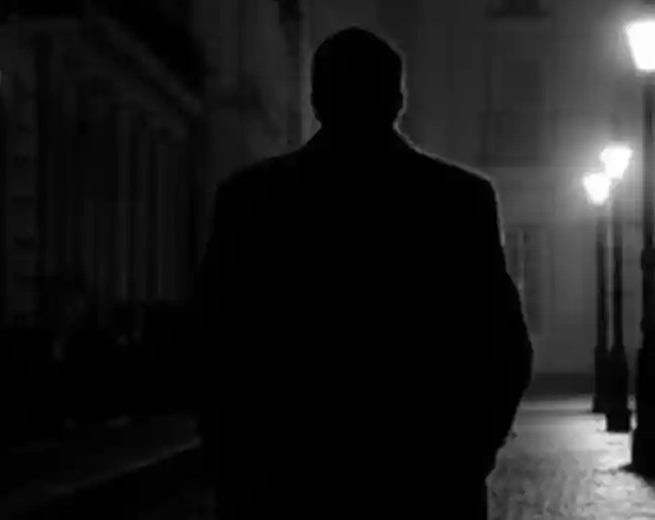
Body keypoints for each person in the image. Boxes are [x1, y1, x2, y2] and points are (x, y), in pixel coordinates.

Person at [193, 27, 533, 519]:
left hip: (287, 486)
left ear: (316, 99)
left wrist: (237, 466)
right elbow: (503, 349)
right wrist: (465, 458)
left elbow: (214, 344)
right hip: (424, 485)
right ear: (398, 99)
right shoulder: (458, 200)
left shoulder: (252, 198)